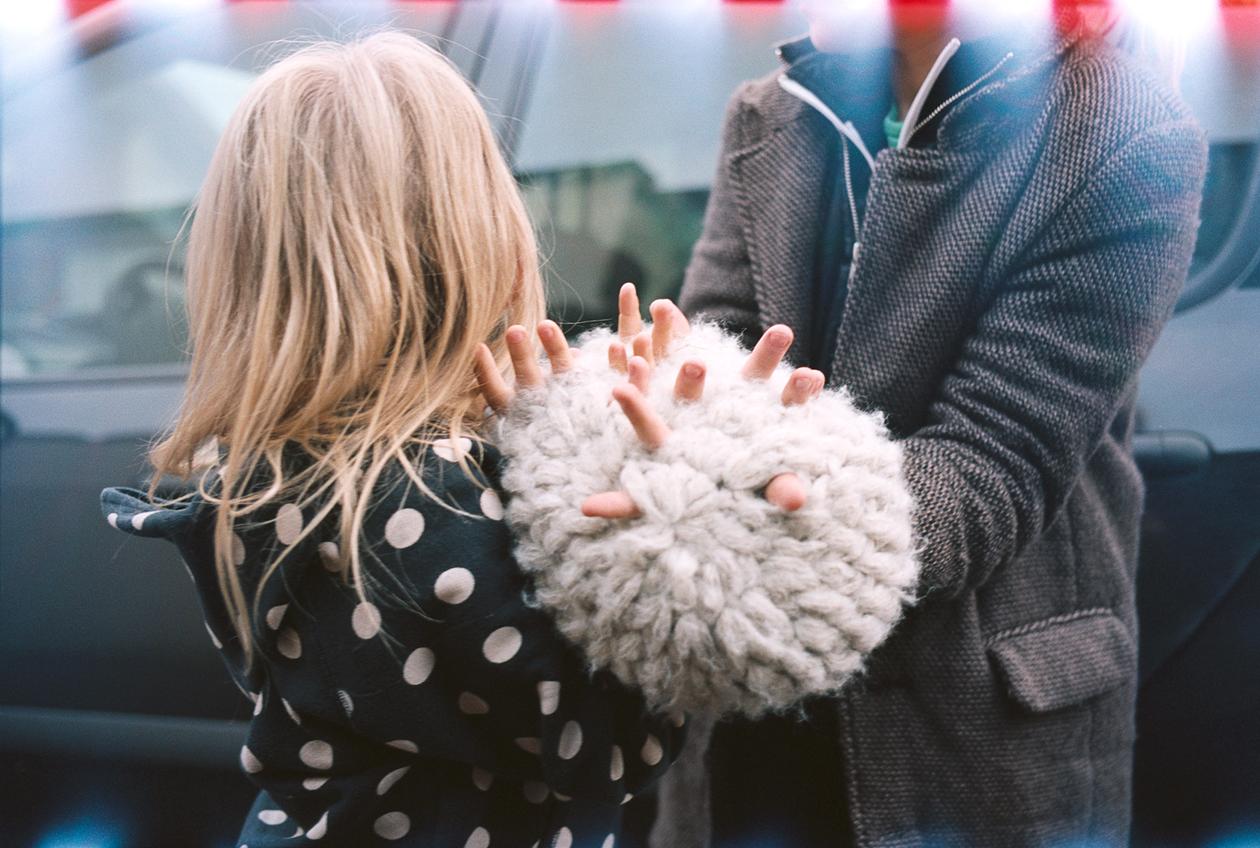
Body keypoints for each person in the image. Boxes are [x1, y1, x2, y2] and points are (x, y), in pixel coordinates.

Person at [100, 33, 907, 847]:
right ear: (474, 232)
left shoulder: (270, 473)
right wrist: (671, 479)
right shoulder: (431, 502)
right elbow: (611, 745)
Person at [652, 3, 1209, 847]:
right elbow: (708, 365)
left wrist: (747, 498)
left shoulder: (1123, 131)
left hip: (971, 744)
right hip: (750, 725)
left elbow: (989, 467)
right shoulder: (769, 115)